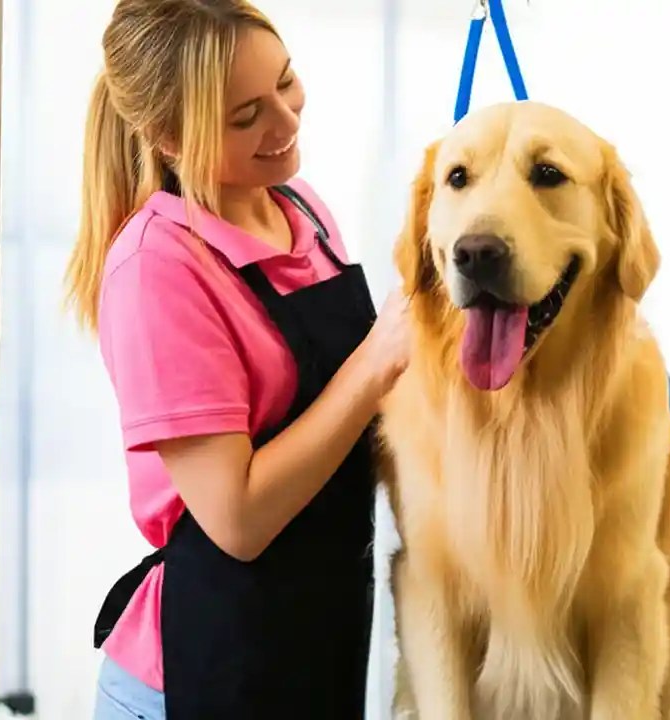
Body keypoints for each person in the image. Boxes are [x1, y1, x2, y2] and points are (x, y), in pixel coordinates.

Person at [63, 2, 410, 718]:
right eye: (245, 115)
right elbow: (239, 519)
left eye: (287, 83)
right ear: (167, 137)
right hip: (204, 669)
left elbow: (353, 428)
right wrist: (377, 364)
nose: (285, 123)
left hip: (315, 645)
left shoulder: (299, 208)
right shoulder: (157, 266)